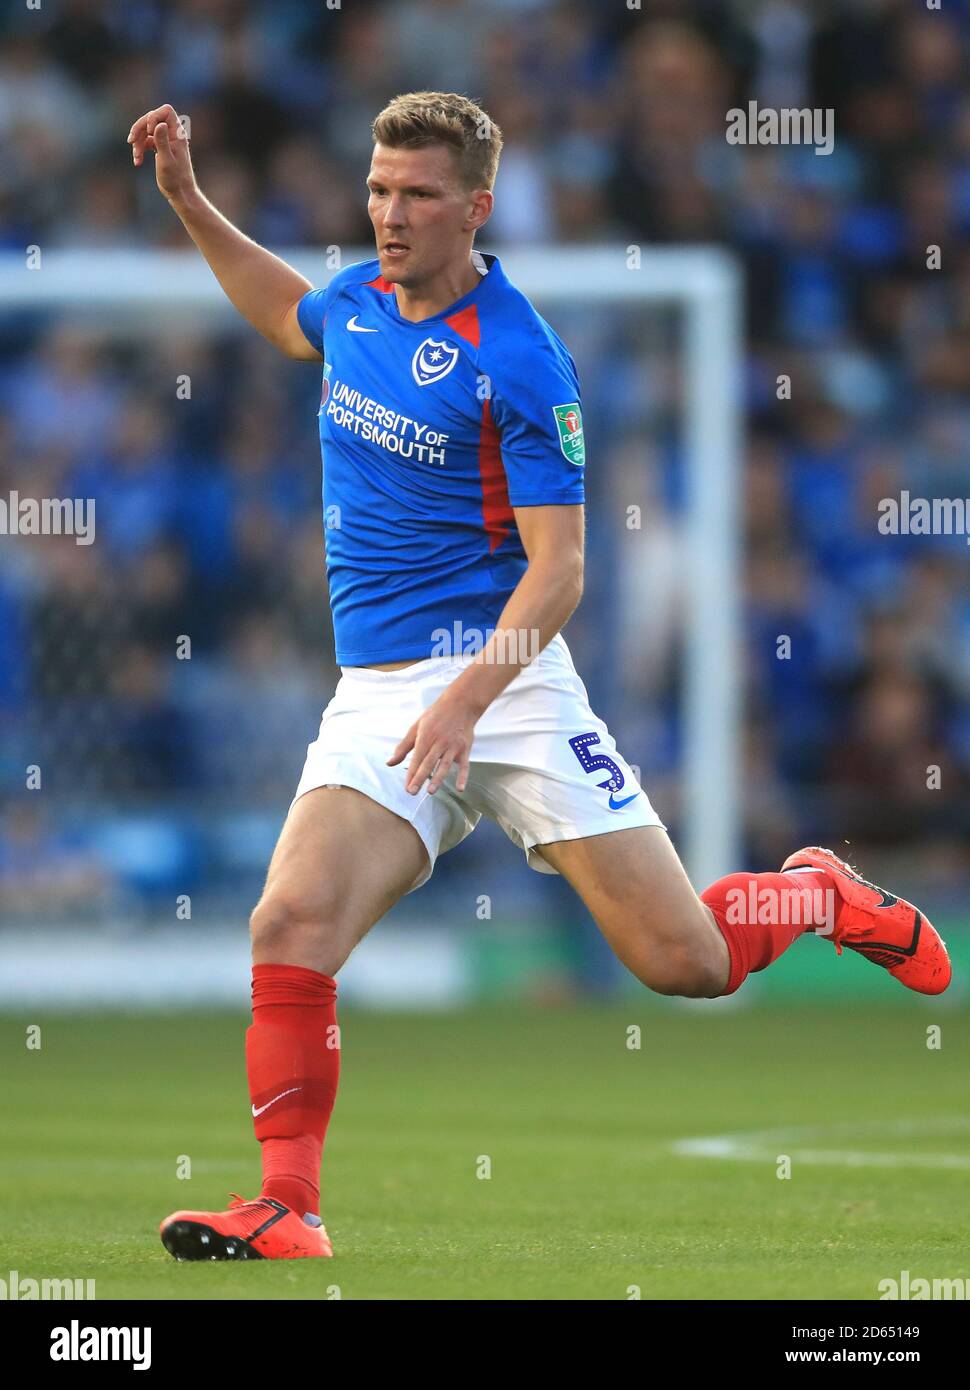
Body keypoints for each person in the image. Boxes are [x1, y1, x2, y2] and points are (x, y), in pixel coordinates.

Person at [128, 91, 951, 1263]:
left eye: (416, 194)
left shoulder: (519, 356)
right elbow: (282, 313)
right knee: (291, 921)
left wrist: (466, 699)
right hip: (378, 693)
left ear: (477, 205)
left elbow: (560, 571)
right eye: (376, 189)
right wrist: (191, 200)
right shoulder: (359, 302)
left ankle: (812, 894)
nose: (389, 214)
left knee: (684, 965)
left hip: (507, 684)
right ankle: (288, 1206)